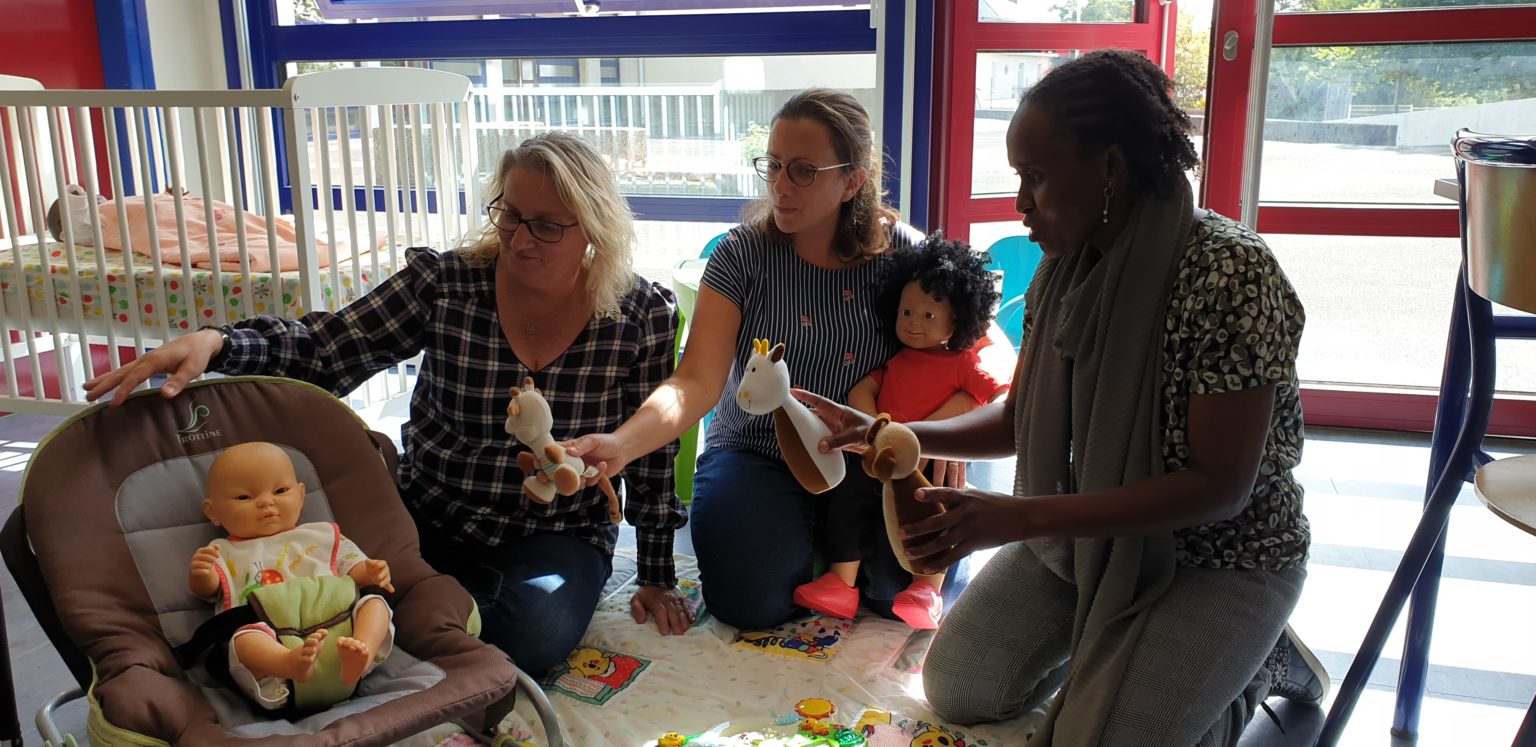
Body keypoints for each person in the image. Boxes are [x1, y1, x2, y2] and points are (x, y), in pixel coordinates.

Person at [795, 50, 1326, 745]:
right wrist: (899, 433)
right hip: (1089, 536)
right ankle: (1131, 647)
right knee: (958, 686)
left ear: (1109, 168)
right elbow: (1020, 418)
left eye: (1036, 178)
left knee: (1106, 736)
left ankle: (1260, 657)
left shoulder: (1228, 274)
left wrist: (1018, 515)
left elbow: (1220, 488)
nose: (1021, 202)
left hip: (1220, 555)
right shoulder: (1063, 272)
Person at [84, 132, 693, 677]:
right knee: (319, 594)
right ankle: (415, 617)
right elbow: (326, 350)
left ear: (593, 227)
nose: (519, 238)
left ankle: (415, 619)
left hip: (556, 531)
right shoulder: (447, 284)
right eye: (510, 214)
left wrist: (658, 571)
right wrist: (217, 342)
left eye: (546, 225)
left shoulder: (640, 315)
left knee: (528, 637)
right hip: (427, 512)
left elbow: (651, 448)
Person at [564, 89, 950, 629]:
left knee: (896, 594)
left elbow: (984, 354)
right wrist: (622, 444)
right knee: (749, 604)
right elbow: (696, 380)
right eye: (772, 165)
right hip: (759, 449)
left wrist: (937, 433)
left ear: (854, 180)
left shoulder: (905, 254)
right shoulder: (742, 254)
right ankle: (817, 550)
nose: (779, 186)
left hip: (870, 459)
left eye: (802, 171)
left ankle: (830, 554)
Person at [794, 233, 1007, 629]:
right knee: (847, 497)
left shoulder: (962, 362)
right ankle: (842, 582)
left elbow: (1001, 394)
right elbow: (863, 389)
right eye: (906, 312)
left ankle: (927, 588)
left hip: (925, 462)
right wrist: (875, 429)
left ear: (958, 321)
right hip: (878, 456)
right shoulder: (899, 358)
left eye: (928, 316)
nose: (913, 324)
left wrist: (950, 428)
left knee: (930, 511)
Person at [188, 441, 393, 710]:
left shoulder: (319, 536)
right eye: (244, 498)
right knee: (244, 639)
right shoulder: (223, 553)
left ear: (300, 495)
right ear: (213, 512)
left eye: (280, 490)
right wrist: (201, 575)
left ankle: (362, 652)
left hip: (340, 632)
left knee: (374, 604)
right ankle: (290, 662)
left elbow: (351, 571)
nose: (266, 502)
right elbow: (210, 591)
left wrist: (370, 571)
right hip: (274, 658)